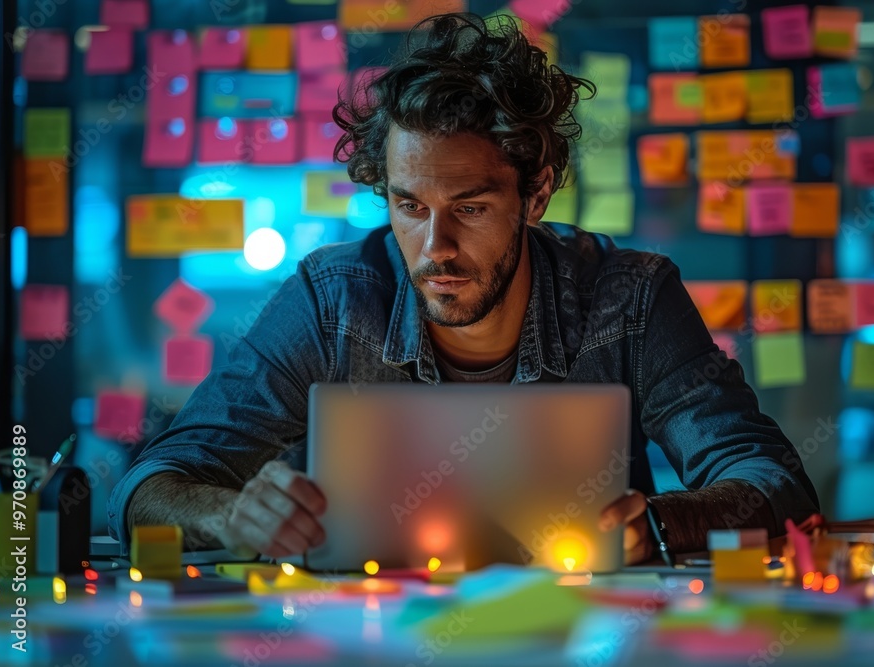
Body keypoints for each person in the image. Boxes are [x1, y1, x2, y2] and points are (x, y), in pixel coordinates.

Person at [109, 13, 818, 564]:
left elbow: (776, 481)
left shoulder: (629, 297)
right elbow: (148, 485)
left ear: (535, 194)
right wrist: (230, 516)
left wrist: (663, 524)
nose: (434, 248)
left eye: (470, 208)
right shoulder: (331, 301)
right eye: (409, 206)